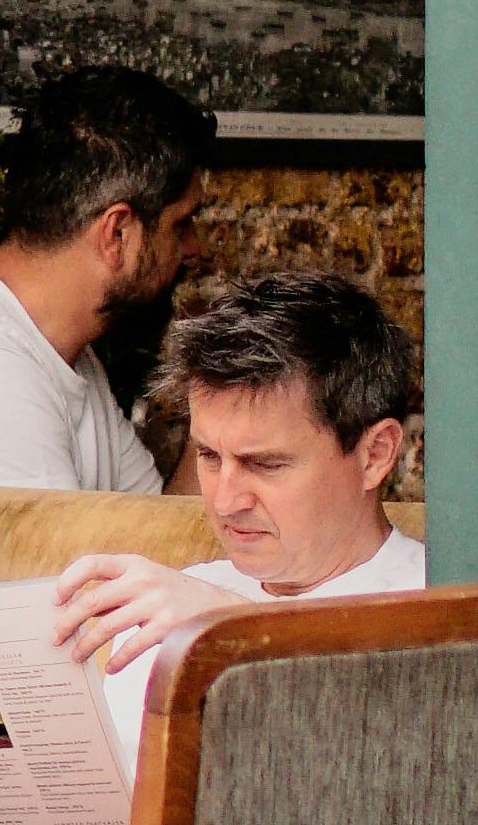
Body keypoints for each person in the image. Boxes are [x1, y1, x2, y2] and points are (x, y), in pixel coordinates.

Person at [49, 268, 426, 772]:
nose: (225, 501)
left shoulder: (447, 606)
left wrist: (239, 633)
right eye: (207, 456)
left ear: (375, 454)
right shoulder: (168, 605)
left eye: (264, 464)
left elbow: (405, 786)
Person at [0, 68, 216, 500]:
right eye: (182, 223)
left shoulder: (63, 355)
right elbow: (64, 570)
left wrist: (219, 415)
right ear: (116, 233)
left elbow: (158, 539)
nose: (194, 247)